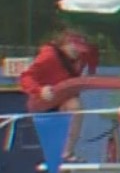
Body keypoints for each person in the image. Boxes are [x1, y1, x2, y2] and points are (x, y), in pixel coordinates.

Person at [17, 30, 100, 159]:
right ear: (64, 45)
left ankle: (68, 152)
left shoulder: (82, 57)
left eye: (80, 49)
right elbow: (26, 77)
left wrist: (92, 69)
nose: (77, 52)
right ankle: (58, 156)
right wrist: (40, 90)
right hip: (43, 102)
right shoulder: (49, 55)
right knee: (52, 151)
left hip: (63, 101)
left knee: (75, 106)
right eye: (74, 48)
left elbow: (92, 56)